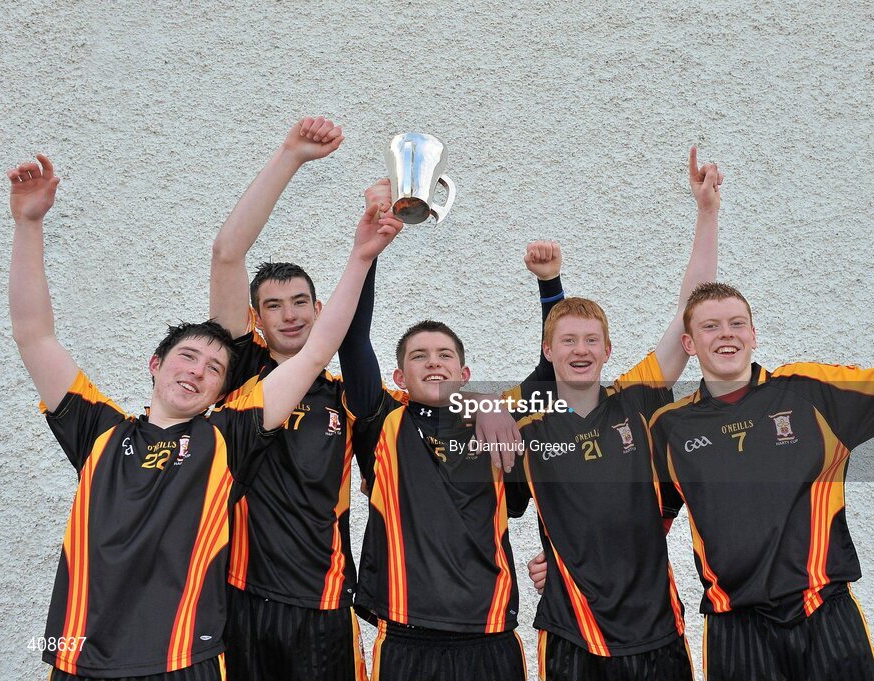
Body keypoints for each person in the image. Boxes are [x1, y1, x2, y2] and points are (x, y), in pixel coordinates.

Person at [9, 153, 402, 681]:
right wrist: (28, 224)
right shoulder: (98, 431)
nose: (197, 371)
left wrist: (360, 257)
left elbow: (319, 351)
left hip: (187, 659)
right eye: (187, 357)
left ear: (228, 386)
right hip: (82, 657)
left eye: (215, 367)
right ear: (156, 365)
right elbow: (34, 335)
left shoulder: (227, 436)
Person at [649, 239, 874, 681]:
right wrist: (565, 564)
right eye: (710, 327)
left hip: (826, 614)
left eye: (737, 323)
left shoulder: (811, 391)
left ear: (754, 334)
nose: (726, 334)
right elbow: (645, 525)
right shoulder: (669, 427)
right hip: (735, 628)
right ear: (688, 342)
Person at [509, 148, 721, 681]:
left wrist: (707, 213)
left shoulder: (638, 399)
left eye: (591, 341)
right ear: (548, 351)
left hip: (656, 629)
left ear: (607, 351)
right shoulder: (524, 420)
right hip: (570, 630)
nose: (580, 350)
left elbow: (689, 312)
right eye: (567, 341)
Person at [343, 239, 567, 681]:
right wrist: (366, 257)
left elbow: (554, 373)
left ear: (464, 374)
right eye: (419, 357)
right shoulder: (381, 421)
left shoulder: (498, 421)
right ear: (399, 376)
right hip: (406, 634)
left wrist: (549, 285)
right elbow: (352, 339)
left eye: (445, 355)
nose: (433, 363)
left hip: (489, 631)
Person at [209, 115, 373, 681]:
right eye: (274, 306)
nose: (289, 315)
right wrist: (290, 157)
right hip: (240, 597)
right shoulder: (238, 371)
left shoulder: (346, 395)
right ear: (255, 318)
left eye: (300, 302)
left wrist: (496, 411)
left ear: (320, 310)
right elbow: (227, 253)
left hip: (323, 603)